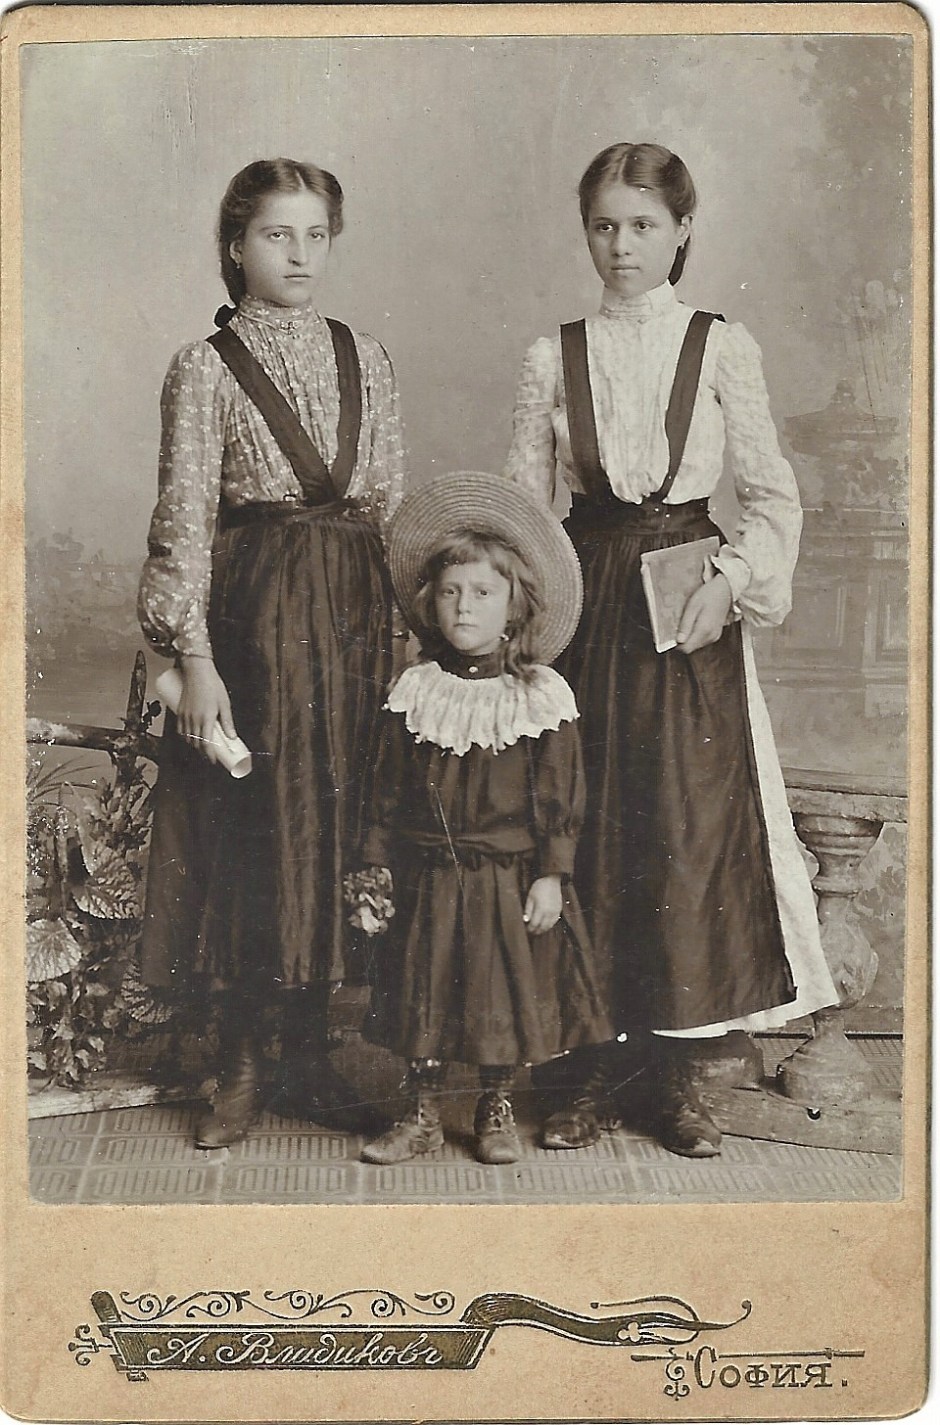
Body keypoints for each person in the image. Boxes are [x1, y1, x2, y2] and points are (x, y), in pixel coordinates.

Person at [504, 141, 837, 1158]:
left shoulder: (720, 346)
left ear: (682, 230)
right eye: (604, 225)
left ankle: (685, 1080)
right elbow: (521, 510)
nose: (620, 245)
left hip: (686, 607)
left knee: (686, 832)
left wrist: (730, 581)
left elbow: (772, 496)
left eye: (642, 225)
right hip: (582, 604)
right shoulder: (547, 357)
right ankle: (590, 1069)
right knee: (588, 825)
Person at [138, 158, 406, 1148]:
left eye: (315, 236)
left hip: (352, 616)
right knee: (258, 829)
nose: (297, 254)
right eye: (275, 236)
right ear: (236, 247)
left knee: (340, 829)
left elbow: (384, 503)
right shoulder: (203, 368)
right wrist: (195, 658)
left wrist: (402, 634)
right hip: (251, 626)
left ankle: (313, 1052)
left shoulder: (364, 356)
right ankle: (244, 1063)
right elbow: (183, 525)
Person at [351, 472, 612, 1166]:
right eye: (450, 592)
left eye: (483, 594)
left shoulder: (539, 696)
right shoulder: (414, 691)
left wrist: (552, 875)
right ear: (431, 602)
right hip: (429, 870)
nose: (464, 608)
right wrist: (375, 866)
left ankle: (496, 1103)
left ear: (513, 605)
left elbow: (561, 796)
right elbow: (384, 787)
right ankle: (422, 1109)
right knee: (422, 990)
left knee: (501, 991)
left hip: (505, 871)